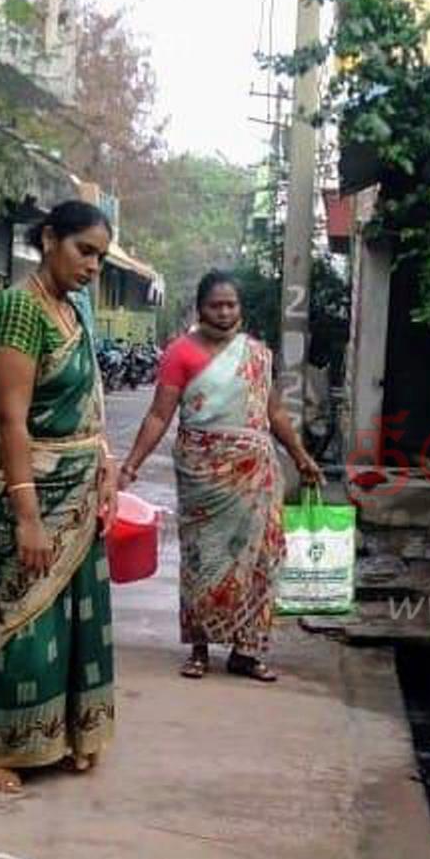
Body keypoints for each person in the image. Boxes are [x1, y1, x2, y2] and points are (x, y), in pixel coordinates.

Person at [0, 200, 118, 795]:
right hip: (33, 486)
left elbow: (92, 407)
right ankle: (4, 752)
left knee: (83, 619)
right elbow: (11, 422)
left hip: (82, 487)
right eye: (83, 250)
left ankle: (70, 735)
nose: (92, 266)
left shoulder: (76, 309)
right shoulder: (17, 311)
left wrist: (106, 468)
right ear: (50, 239)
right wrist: (28, 516)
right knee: (30, 623)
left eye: (101, 257)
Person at [117, 270, 322, 681]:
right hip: (202, 472)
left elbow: (275, 412)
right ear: (200, 308)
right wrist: (130, 465)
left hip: (256, 473)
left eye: (231, 304)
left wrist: (300, 455)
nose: (225, 312)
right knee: (203, 560)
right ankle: (199, 647)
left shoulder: (258, 354)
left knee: (257, 560)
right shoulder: (180, 354)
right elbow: (160, 414)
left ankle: (247, 651)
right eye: (216, 305)